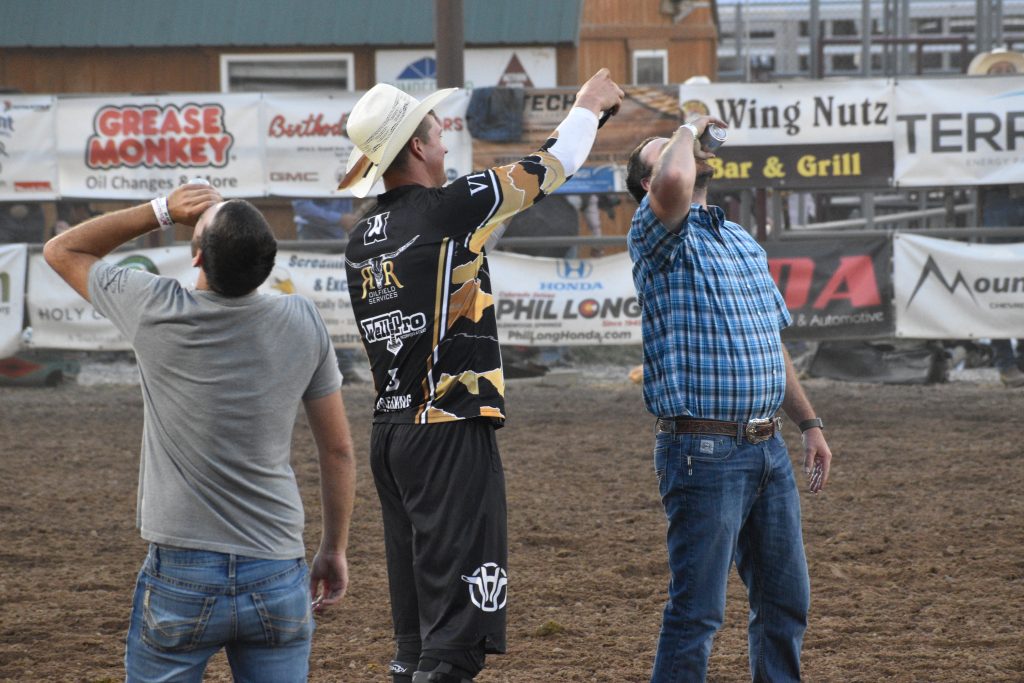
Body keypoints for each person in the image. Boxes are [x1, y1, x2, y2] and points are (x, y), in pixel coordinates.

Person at [337, 69, 623, 683]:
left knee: (415, 641)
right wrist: (589, 106)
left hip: (391, 432)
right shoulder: (450, 209)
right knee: (454, 648)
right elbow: (552, 164)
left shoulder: (361, 239)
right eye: (437, 134)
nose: (445, 146)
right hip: (448, 428)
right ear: (415, 146)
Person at [43, 183, 357, 682]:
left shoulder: (154, 308)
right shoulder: (303, 320)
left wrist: (161, 210)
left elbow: (62, 249)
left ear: (196, 259)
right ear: (266, 264)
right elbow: (337, 450)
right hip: (277, 565)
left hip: (182, 572)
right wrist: (333, 548)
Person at [625, 116, 833, 682]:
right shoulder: (658, 233)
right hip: (703, 451)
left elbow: (772, 341)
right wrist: (686, 127)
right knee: (697, 614)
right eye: (666, 154)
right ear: (651, 184)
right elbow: (674, 182)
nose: (685, 154)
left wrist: (809, 422)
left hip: (765, 447)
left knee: (786, 602)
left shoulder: (738, 238)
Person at [292, 197, 372, 383]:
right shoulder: (311, 171)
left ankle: (344, 366)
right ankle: (315, 368)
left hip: (339, 237)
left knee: (341, 300)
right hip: (313, 239)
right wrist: (338, 218)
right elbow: (302, 205)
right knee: (315, 303)